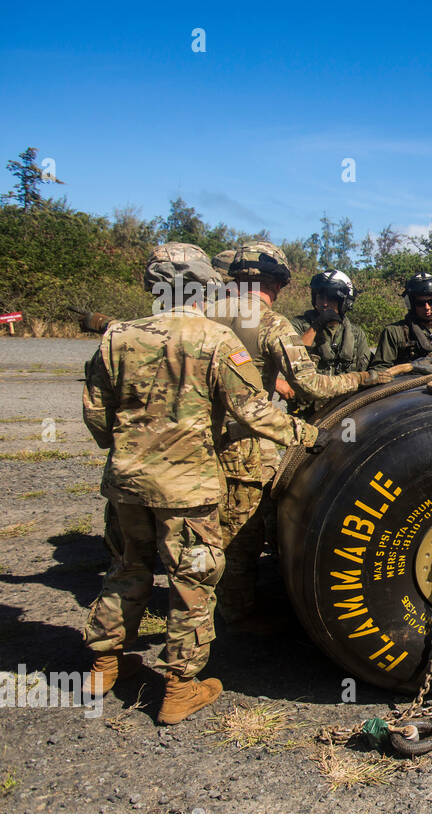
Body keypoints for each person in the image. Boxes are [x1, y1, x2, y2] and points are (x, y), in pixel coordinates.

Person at [82, 243, 319, 723]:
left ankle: (103, 666)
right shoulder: (214, 340)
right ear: (203, 283)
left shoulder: (117, 336)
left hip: (126, 484)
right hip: (188, 490)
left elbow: (97, 419)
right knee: (192, 581)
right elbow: (254, 412)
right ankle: (177, 689)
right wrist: (311, 436)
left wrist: (132, 448)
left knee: (127, 569)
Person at [207, 240, 397, 622]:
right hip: (249, 437)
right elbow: (307, 384)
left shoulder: (201, 315)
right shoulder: (275, 324)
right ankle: (236, 614)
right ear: (277, 283)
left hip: (198, 438)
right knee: (245, 528)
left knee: (202, 523)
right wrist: (364, 379)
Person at [292, 269, 371, 377]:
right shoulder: (299, 325)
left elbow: (365, 372)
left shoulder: (356, 334)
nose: (324, 304)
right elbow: (293, 358)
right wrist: (316, 325)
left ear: (345, 302)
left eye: (331, 298)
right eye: (320, 297)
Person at [368, 273, 432, 371]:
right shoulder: (394, 332)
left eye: (431, 302)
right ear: (411, 304)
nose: (427, 307)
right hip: (406, 383)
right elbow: (380, 369)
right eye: (420, 303)